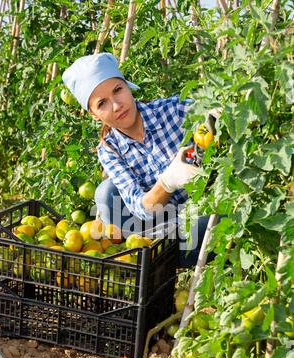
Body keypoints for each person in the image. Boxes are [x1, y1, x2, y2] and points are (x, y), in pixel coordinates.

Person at [62, 53, 216, 267]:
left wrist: (214, 118)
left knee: (210, 223)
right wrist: (167, 182)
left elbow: (213, 112)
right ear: (94, 115)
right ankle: (152, 255)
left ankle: (161, 258)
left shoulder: (173, 110)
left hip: (203, 206)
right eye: (102, 103)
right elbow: (139, 206)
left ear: (127, 87)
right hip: (158, 219)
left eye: (118, 90)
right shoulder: (109, 150)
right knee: (107, 193)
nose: (117, 105)